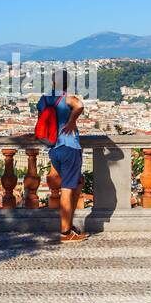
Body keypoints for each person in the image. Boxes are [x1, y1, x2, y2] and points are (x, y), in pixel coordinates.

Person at [38, 70, 87, 243]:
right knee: (67, 188)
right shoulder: (67, 98)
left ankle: (69, 225)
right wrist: (72, 120)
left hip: (53, 149)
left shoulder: (43, 100)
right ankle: (65, 232)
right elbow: (79, 105)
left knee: (77, 183)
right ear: (66, 84)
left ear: (52, 83)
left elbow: (41, 122)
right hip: (69, 146)